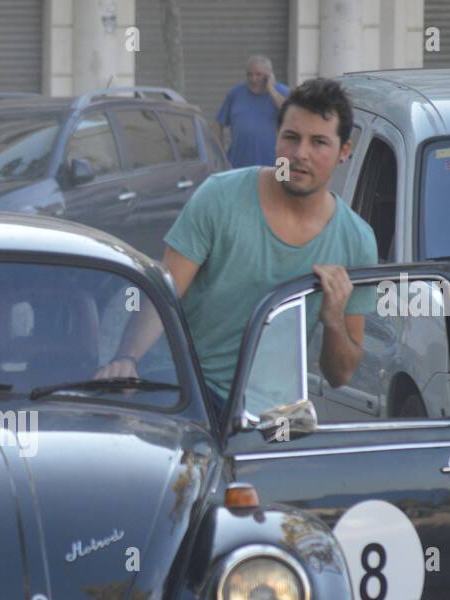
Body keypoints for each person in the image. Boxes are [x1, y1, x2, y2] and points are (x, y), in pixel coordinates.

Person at [97, 77, 378, 416]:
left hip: (275, 415)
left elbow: (340, 374)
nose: (300, 154)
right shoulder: (219, 197)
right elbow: (164, 295)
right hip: (192, 393)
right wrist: (127, 359)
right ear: (276, 140)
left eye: (319, 142)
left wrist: (333, 319)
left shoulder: (356, 239)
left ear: (344, 151)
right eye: (291, 138)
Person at [216, 55, 290, 169]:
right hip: (239, 165)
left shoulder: (283, 92)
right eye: (249, 74)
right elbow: (219, 123)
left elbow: (289, 112)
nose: (253, 79)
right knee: (240, 188)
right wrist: (220, 156)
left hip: (279, 164)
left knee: (281, 186)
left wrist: (271, 89)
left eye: (258, 74)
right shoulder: (236, 93)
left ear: (269, 75)